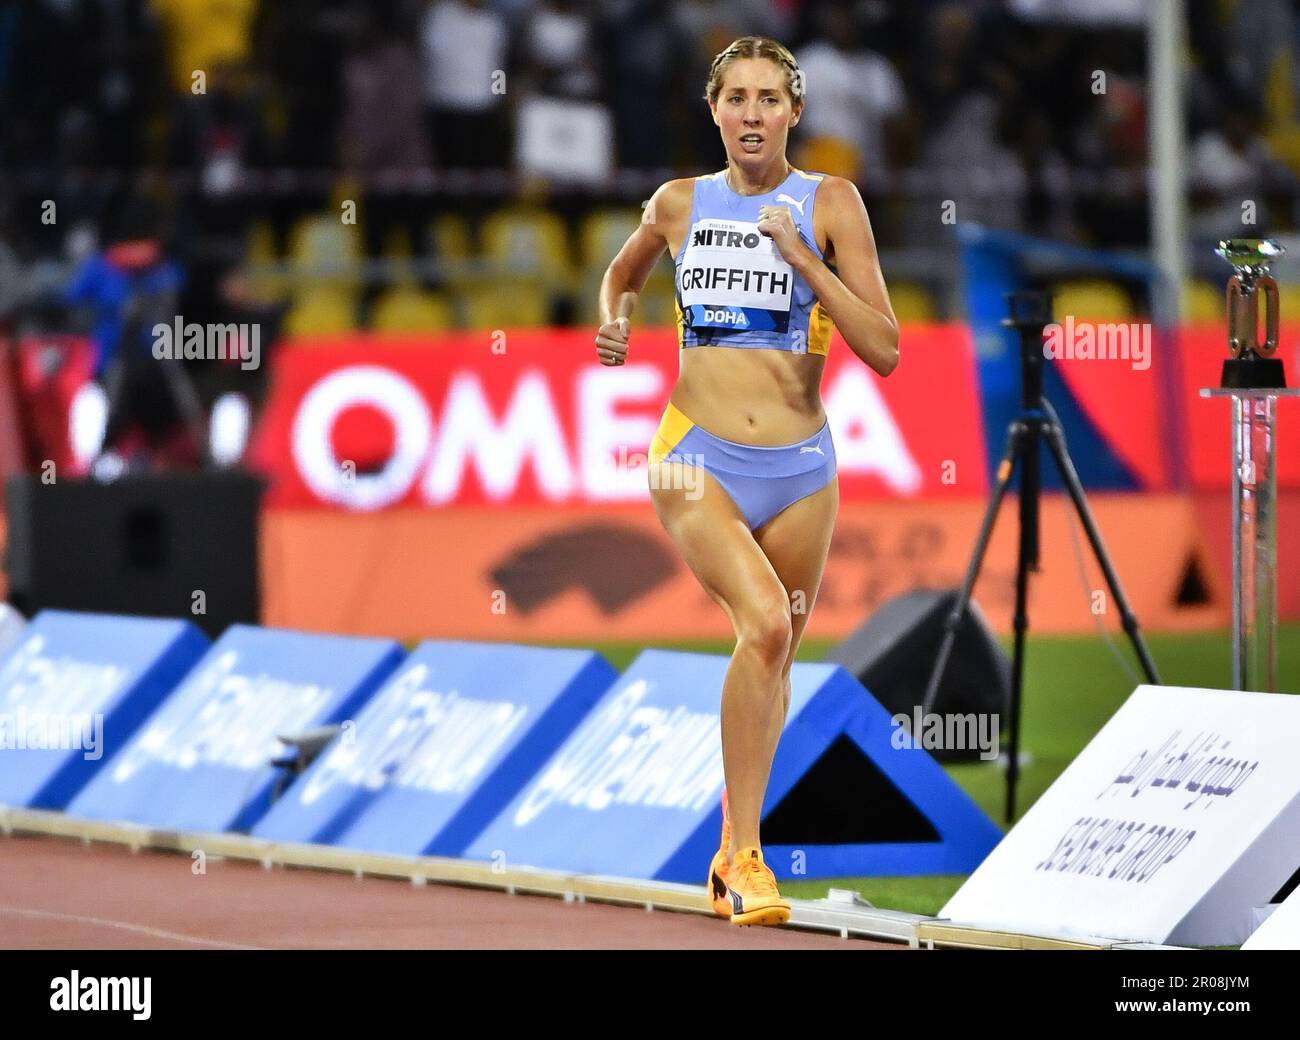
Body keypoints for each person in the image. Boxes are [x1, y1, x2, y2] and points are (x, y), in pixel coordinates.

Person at [594, 36, 899, 926]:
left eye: (770, 98)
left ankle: (733, 851)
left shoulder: (832, 202)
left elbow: (883, 348)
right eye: (737, 98)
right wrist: (616, 325)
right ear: (714, 110)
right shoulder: (679, 202)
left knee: (776, 648)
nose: (754, 114)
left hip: (803, 468)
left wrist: (808, 264)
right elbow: (621, 276)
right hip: (696, 456)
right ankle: (751, 856)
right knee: (764, 622)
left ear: (795, 112)